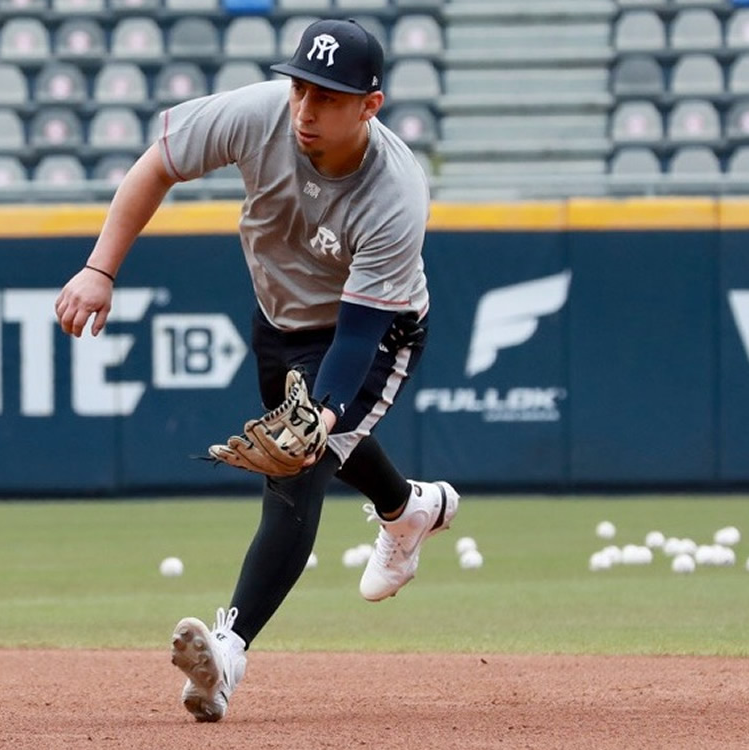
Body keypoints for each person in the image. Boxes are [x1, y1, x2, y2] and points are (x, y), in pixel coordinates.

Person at [53, 18, 460, 722]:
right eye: (301, 87)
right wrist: (99, 268)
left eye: (328, 98)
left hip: (374, 330)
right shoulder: (258, 113)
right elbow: (158, 164)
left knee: (301, 465)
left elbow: (358, 338)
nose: (305, 109)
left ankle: (228, 650)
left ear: (370, 105)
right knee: (321, 450)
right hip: (278, 320)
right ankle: (410, 510)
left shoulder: (395, 193)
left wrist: (321, 414)